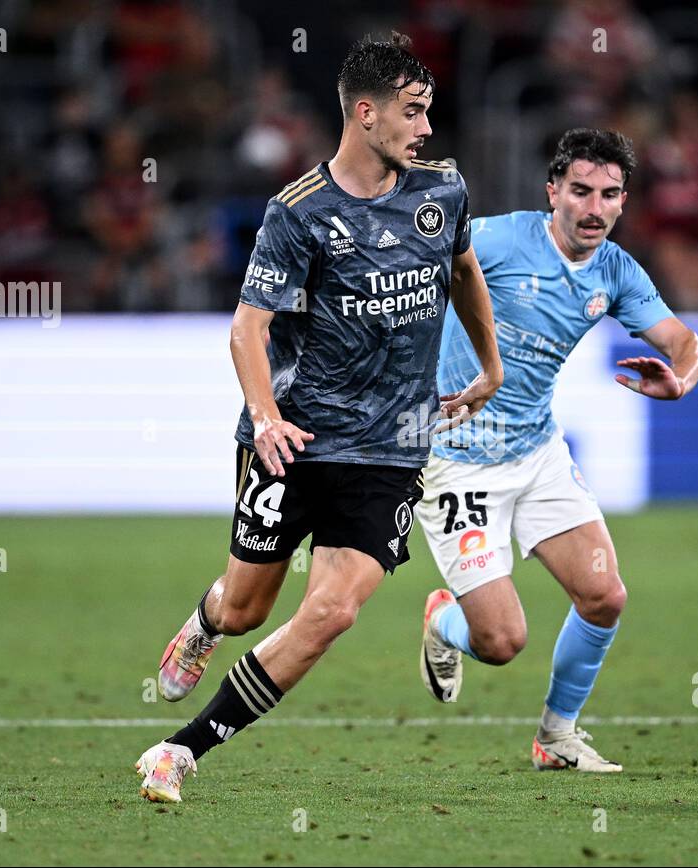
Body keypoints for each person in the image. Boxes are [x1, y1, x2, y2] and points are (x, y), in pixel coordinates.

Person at [135, 33, 503, 802]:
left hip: (393, 448)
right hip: (293, 439)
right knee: (246, 607)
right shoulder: (297, 214)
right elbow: (247, 329)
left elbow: (463, 269)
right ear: (365, 114)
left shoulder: (443, 193)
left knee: (331, 612)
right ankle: (204, 622)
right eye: (412, 112)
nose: (426, 127)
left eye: (428, 112)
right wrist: (265, 418)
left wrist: (490, 365)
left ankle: (180, 750)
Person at [415, 128, 698, 772]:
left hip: (537, 452)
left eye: (608, 195)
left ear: (624, 202)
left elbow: (684, 341)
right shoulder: (493, 239)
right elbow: (409, 279)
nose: (593, 208)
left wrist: (681, 378)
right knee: (500, 641)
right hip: (456, 459)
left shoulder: (616, 273)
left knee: (605, 595)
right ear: (553, 192)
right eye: (579, 191)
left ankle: (556, 735)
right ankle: (444, 623)